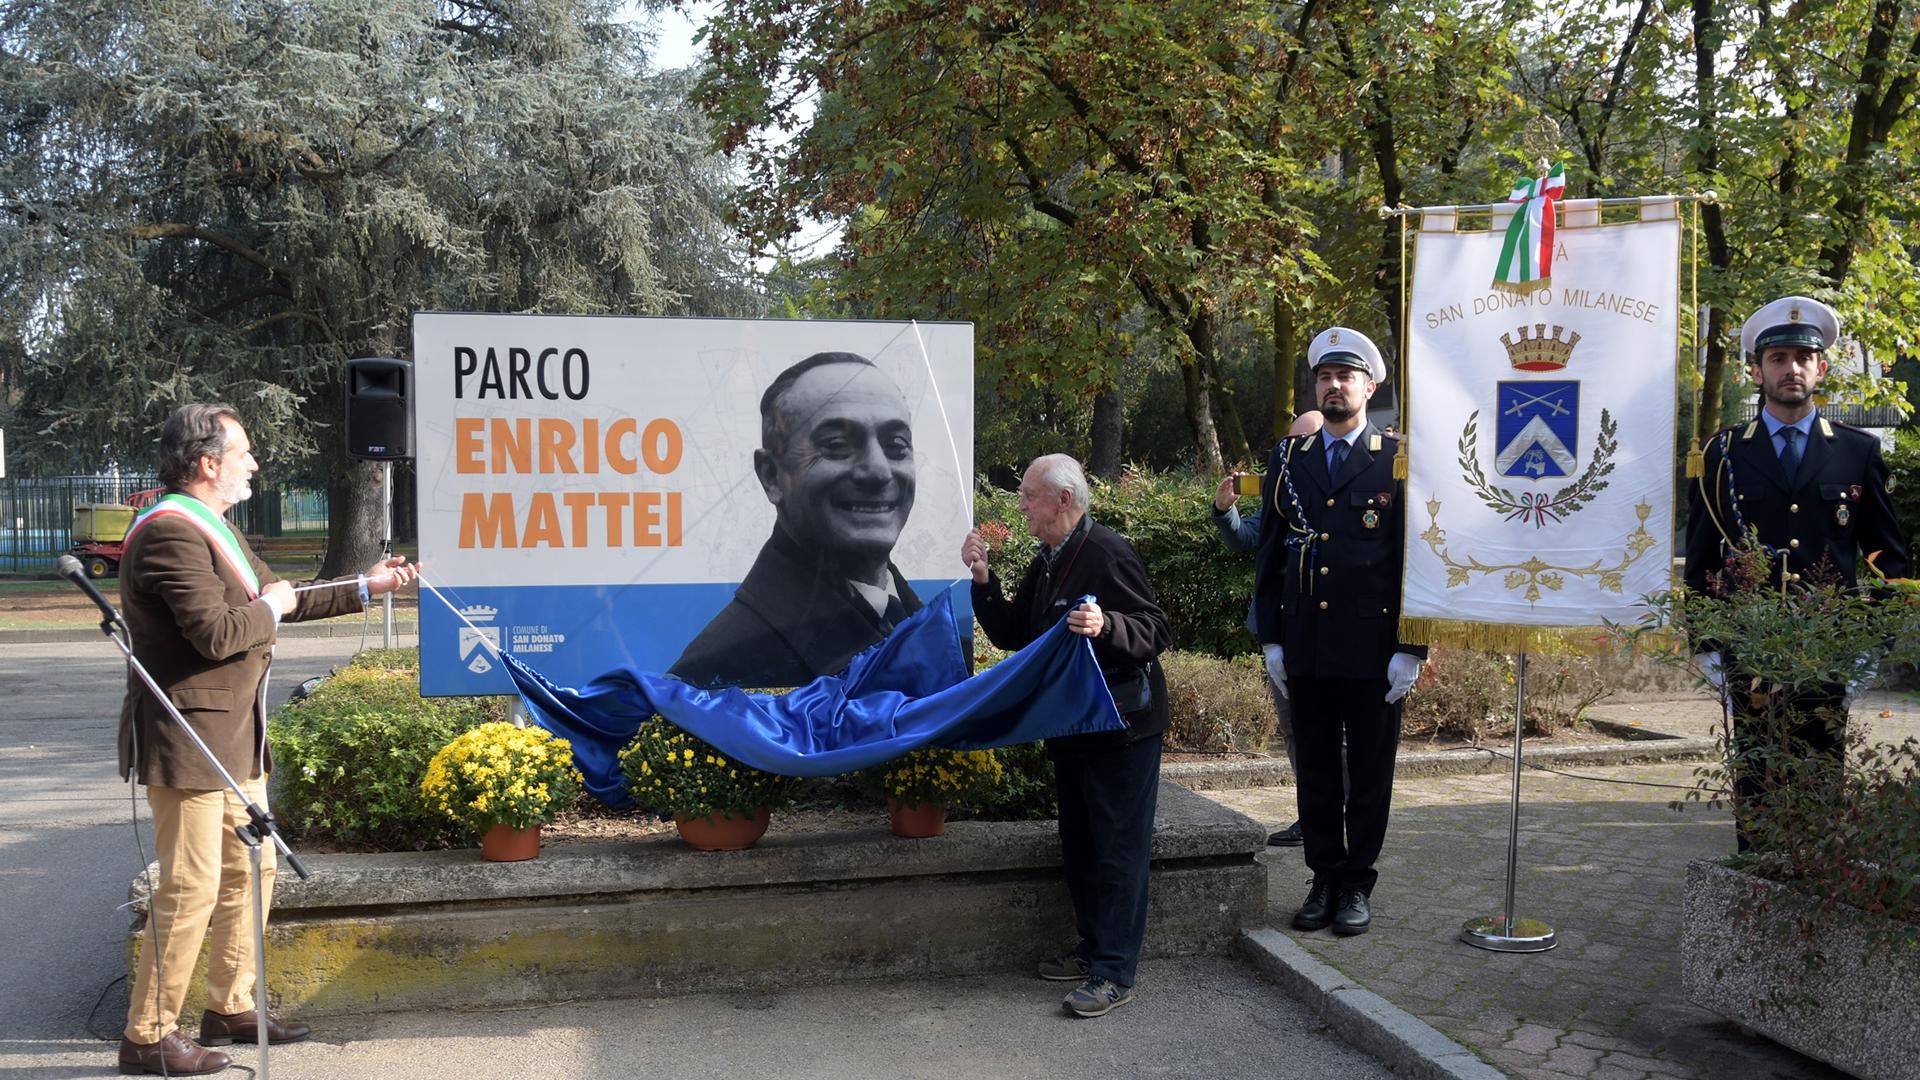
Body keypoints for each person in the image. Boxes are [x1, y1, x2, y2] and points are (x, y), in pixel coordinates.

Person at [116, 404, 417, 1076]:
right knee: (190, 886)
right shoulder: (171, 532)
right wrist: (274, 606)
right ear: (207, 463)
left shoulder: (214, 528)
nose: (255, 463)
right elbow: (219, 633)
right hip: (188, 738)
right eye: (245, 452)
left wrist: (364, 587)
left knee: (251, 871)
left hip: (233, 739)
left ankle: (230, 1005)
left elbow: (280, 596)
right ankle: (147, 1036)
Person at [1683, 296, 1909, 850]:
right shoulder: (1722, 452)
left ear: (1822, 368)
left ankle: (1811, 883)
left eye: (1804, 357)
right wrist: (1708, 644)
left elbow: (1887, 557)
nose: (1792, 369)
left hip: (1827, 645)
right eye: (1778, 358)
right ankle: (1757, 884)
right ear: (1756, 371)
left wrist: (1869, 646)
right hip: (1750, 645)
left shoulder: (1858, 451)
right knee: (1756, 773)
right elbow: (1703, 554)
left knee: (1820, 771)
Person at [961, 454, 1172, 1019]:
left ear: (1062, 500)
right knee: (1080, 845)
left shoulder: (1107, 551)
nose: (1020, 505)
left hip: (1121, 728)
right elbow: (1014, 635)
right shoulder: (1049, 557)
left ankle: (1114, 973)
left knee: (1119, 850)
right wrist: (983, 581)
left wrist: (1108, 626)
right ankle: (1091, 950)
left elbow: (1156, 629)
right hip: (1075, 727)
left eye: (1028, 496)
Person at [1252, 328, 1425, 938]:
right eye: (1324, 377)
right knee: (1318, 770)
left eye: (1346, 377)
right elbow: (1271, 554)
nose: (1333, 386)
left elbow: (1415, 559)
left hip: (1374, 649)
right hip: (1308, 642)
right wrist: (1271, 635)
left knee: (1371, 772)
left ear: (1369, 387)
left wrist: (1412, 645)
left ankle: (1357, 882)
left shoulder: (1398, 457)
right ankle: (1323, 876)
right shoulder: (1290, 458)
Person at [671, 352, 922, 688]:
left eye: (896, 445)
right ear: (772, 476)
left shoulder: (928, 627)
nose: (878, 471)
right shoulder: (714, 676)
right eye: (837, 445)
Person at [1212, 410, 1325, 848]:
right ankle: (1310, 814)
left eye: (1302, 444)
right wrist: (1225, 509)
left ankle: (1340, 813)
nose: (1291, 453)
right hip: (1281, 632)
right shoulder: (1281, 491)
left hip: (1328, 632)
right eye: (1288, 444)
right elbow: (1245, 538)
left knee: (1331, 732)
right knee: (1294, 727)